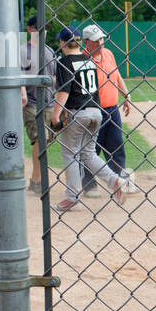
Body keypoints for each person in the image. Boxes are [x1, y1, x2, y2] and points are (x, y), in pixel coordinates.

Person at [49, 27, 137, 213]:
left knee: (71, 154)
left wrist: (56, 114)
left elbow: (64, 91)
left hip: (77, 112)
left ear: (63, 43)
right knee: (89, 153)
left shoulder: (65, 62)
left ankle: (72, 198)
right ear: (81, 41)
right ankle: (115, 180)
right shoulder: (87, 60)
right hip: (96, 111)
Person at [81, 23, 132, 197]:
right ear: (86, 42)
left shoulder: (108, 54)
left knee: (116, 144)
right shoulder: (83, 61)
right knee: (92, 148)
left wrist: (126, 95)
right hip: (94, 110)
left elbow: (116, 75)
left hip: (112, 109)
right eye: (96, 40)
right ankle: (88, 184)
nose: (100, 43)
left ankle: (119, 180)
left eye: (101, 38)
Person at [21, 17, 55, 195]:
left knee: (45, 142)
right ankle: (36, 179)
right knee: (38, 140)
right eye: (38, 29)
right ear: (29, 29)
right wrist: (23, 94)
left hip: (49, 102)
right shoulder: (22, 51)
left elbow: (54, 77)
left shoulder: (49, 51)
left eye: (45, 28)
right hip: (32, 102)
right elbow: (17, 75)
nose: (43, 32)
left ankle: (36, 178)